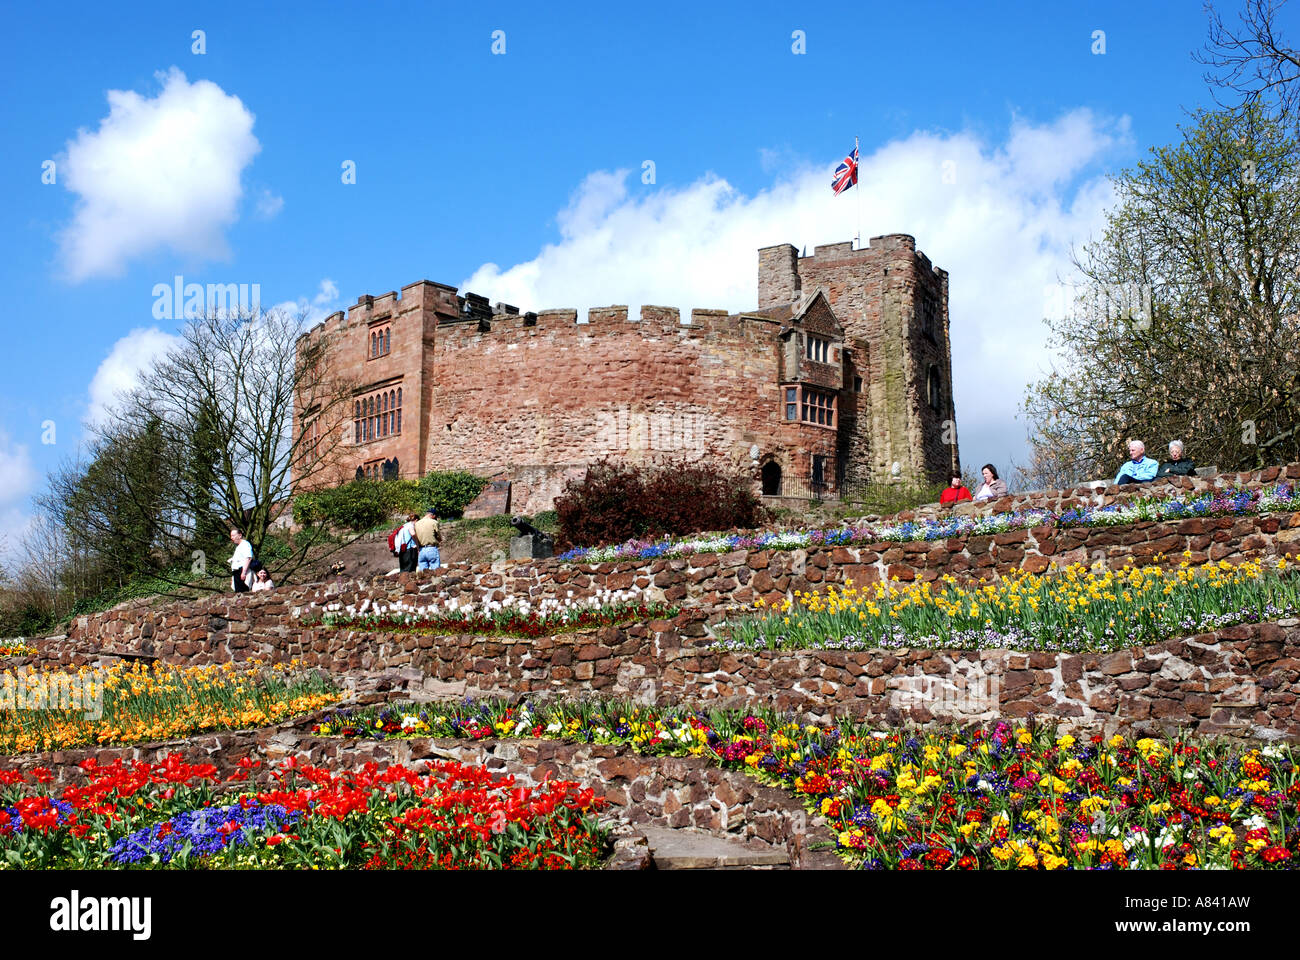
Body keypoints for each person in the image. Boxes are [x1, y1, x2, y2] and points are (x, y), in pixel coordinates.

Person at [228, 528, 255, 592]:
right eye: (231, 536)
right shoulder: (238, 547)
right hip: (237, 572)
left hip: (242, 571)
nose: (232, 538)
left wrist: (244, 572)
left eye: (233, 535)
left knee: (243, 592)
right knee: (238, 592)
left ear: (240, 535)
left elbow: (248, 558)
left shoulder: (245, 544)